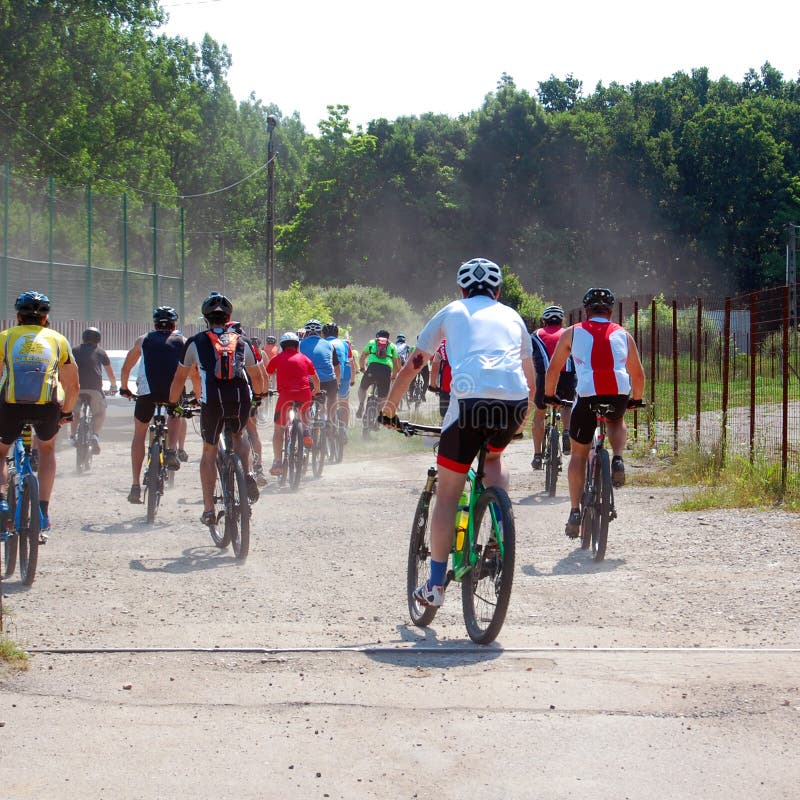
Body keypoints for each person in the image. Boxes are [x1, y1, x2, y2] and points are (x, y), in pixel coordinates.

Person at [379, 258, 536, 608]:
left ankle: (435, 585)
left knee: (449, 493)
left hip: (468, 401)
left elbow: (413, 365)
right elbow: (530, 372)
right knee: (494, 457)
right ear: (497, 291)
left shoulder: (451, 310)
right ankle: (498, 527)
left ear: (462, 290)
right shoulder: (513, 316)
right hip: (513, 401)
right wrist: (527, 415)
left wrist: (389, 409)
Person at [544, 287, 645, 539]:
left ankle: (575, 511)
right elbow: (638, 374)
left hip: (587, 395)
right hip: (618, 392)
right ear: (610, 311)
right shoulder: (623, 334)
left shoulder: (573, 332)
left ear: (586, 310)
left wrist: (549, 396)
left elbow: (554, 370)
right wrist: (637, 399)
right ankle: (618, 457)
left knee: (578, 455)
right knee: (617, 418)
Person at [168, 292, 266, 525]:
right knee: (239, 435)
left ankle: (209, 510)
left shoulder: (195, 342)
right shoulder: (244, 341)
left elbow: (179, 379)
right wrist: (259, 397)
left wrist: (173, 404)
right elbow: (259, 376)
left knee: (209, 452)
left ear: (206, 318)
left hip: (212, 401)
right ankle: (249, 475)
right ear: (229, 317)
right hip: (241, 398)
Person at [0, 290, 79, 535]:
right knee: (46, 449)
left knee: (1, 451)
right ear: (45, 318)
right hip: (47, 407)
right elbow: (73, 385)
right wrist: (66, 413)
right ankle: (43, 511)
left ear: (18, 317)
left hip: (11, 406)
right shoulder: (58, 340)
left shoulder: (5, 337)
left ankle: (2, 501)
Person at [120, 306, 186, 503]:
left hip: (146, 394)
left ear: (155, 323)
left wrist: (124, 388)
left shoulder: (143, 339)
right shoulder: (182, 341)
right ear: (175, 324)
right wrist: (198, 395)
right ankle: (172, 450)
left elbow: (127, 367)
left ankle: (135, 485)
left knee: (139, 434)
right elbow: (194, 372)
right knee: (176, 414)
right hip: (172, 392)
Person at [265, 331, 320, 475]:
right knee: (305, 413)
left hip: (285, 396)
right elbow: (315, 379)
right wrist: (316, 391)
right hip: (304, 393)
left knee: (279, 430)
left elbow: (267, 375)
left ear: (282, 346)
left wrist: (265, 391)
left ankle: (277, 462)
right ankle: (306, 431)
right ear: (297, 345)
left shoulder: (277, 358)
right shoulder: (305, 358)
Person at [529, 305, 576, 469]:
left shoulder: (535, 335)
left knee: (540, 413)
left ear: (544, 321)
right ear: (561, 320)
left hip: (545, 377)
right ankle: (567, 432)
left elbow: (529, 358)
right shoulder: (570, 333)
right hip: (568, 376)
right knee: (566, 407)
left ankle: (537, 455)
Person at [70, 326, 118, 453]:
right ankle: (95, 436)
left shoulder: (74, 350)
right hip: (94, 388)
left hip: (76, 388)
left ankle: (72, 436)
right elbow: (110, 374)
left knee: (75, 412)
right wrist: (113, 386)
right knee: (100, 413)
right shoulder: (100, 352)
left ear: (83, 338)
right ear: (98, 339)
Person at [299, 319, 340, 421]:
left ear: (306, 332)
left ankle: (305, 423)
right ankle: (330, 421)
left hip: (309, 380)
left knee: (304, 403)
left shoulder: (300, 344)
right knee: (332, 399)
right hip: (328, 380)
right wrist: (337, 384)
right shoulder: (329, 345)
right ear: (320, 332)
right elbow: (337, 368)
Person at [357, 329, 399, 418]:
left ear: (377, 336)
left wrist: (362, 368)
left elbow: (363, 357)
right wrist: (394, 375)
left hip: (372, 369)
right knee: (383, 396)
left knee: (362, 388)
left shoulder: (372, 342)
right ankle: (379, 414)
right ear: (388, 338)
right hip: (386, 371)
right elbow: (396, 364)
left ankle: (361, 404)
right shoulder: (392, 346)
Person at [323, 322, 356, 428]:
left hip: (326, 378)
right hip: (343, 376)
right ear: (337, 334)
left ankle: (319, 431)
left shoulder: (322, 343)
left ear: (323, 334)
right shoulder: (345, 344)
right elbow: (352, 363)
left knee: (322, 404)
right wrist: (353, 379)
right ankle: (345, 430)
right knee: (344, 404)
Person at [427, 338, 451, 419]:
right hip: (466, 383)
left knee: (445, 415)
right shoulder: (468, 341)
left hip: (447, 383)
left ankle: (444, 427)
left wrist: (433, 384)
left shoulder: (443, 344)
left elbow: (435, 364)